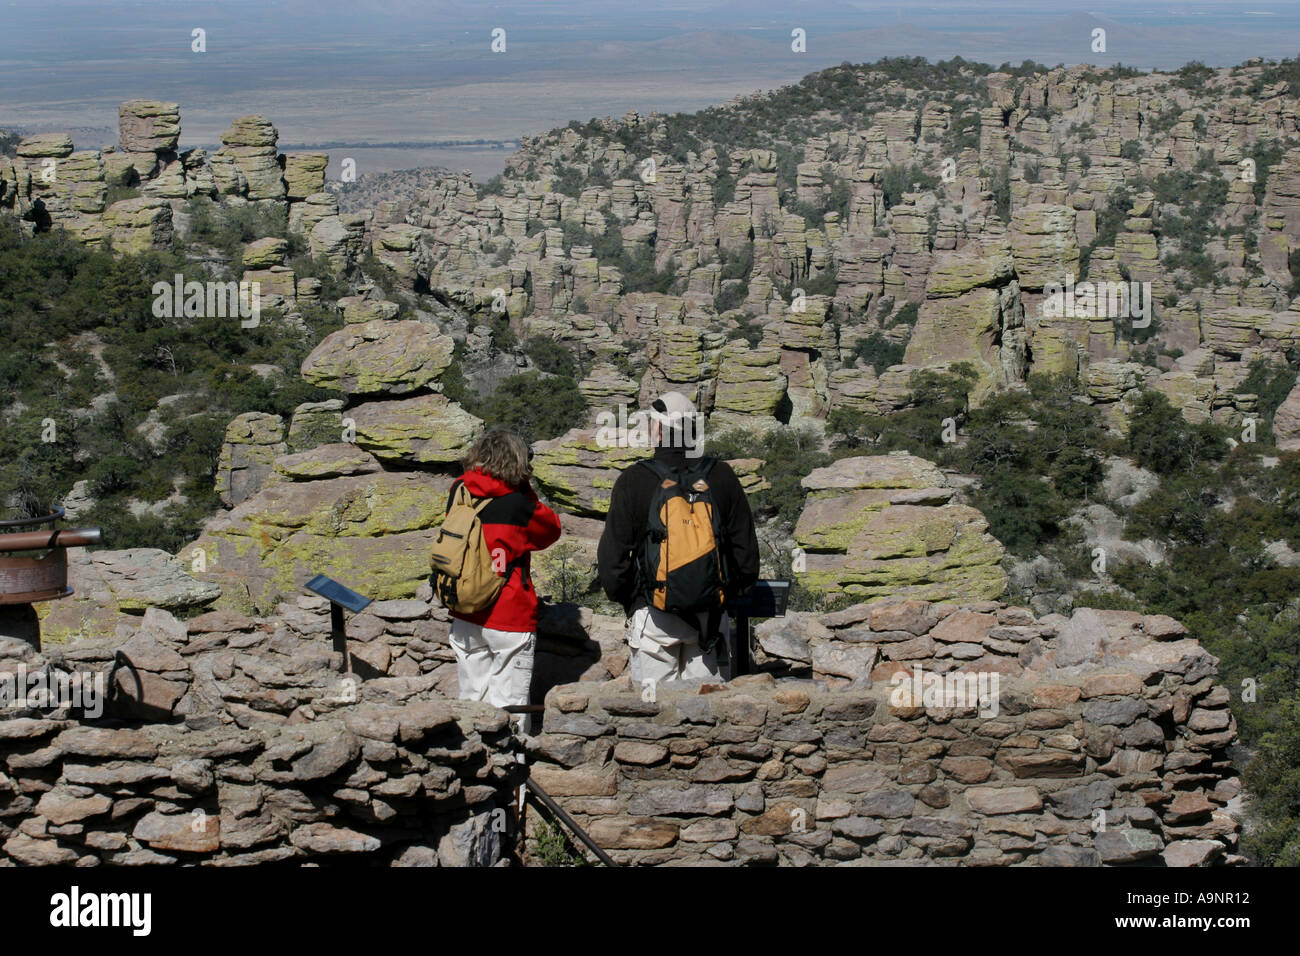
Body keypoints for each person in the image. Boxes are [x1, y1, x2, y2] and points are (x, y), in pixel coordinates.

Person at [597, 391, 760, 684]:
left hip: (653, 617)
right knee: (710, 705)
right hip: (710, 619)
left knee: (655, 704)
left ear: (658, 430)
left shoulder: (634, 480)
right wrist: (724, 594)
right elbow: (746, 555)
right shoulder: (722, 476)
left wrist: (635, 601)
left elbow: (612, 560)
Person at [446, 428, 562, 710]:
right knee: (510, 704)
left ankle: (474, 740)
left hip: (465, 607)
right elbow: (551, 531)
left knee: (472, 700)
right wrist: (525, 487)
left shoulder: (459, 489)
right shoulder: (519, 502)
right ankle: (510, 741)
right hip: (509, 611)